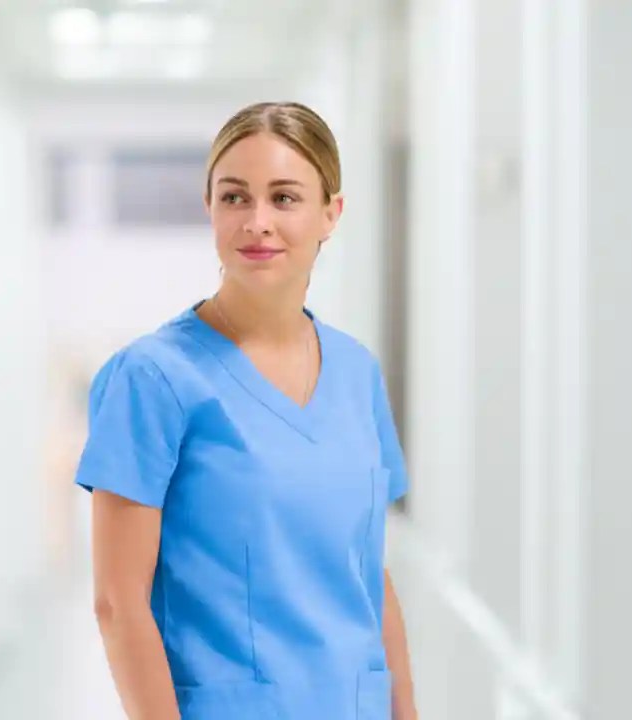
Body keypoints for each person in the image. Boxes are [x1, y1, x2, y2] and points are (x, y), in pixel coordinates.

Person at [76, 101, 418, 719]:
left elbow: (368, 572)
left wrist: (405, 710)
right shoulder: (154, 377)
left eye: (284, 198)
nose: (257, 221)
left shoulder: (356, 371)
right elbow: (118, 602)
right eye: (235, 197)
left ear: (330, 214)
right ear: (209, 207)